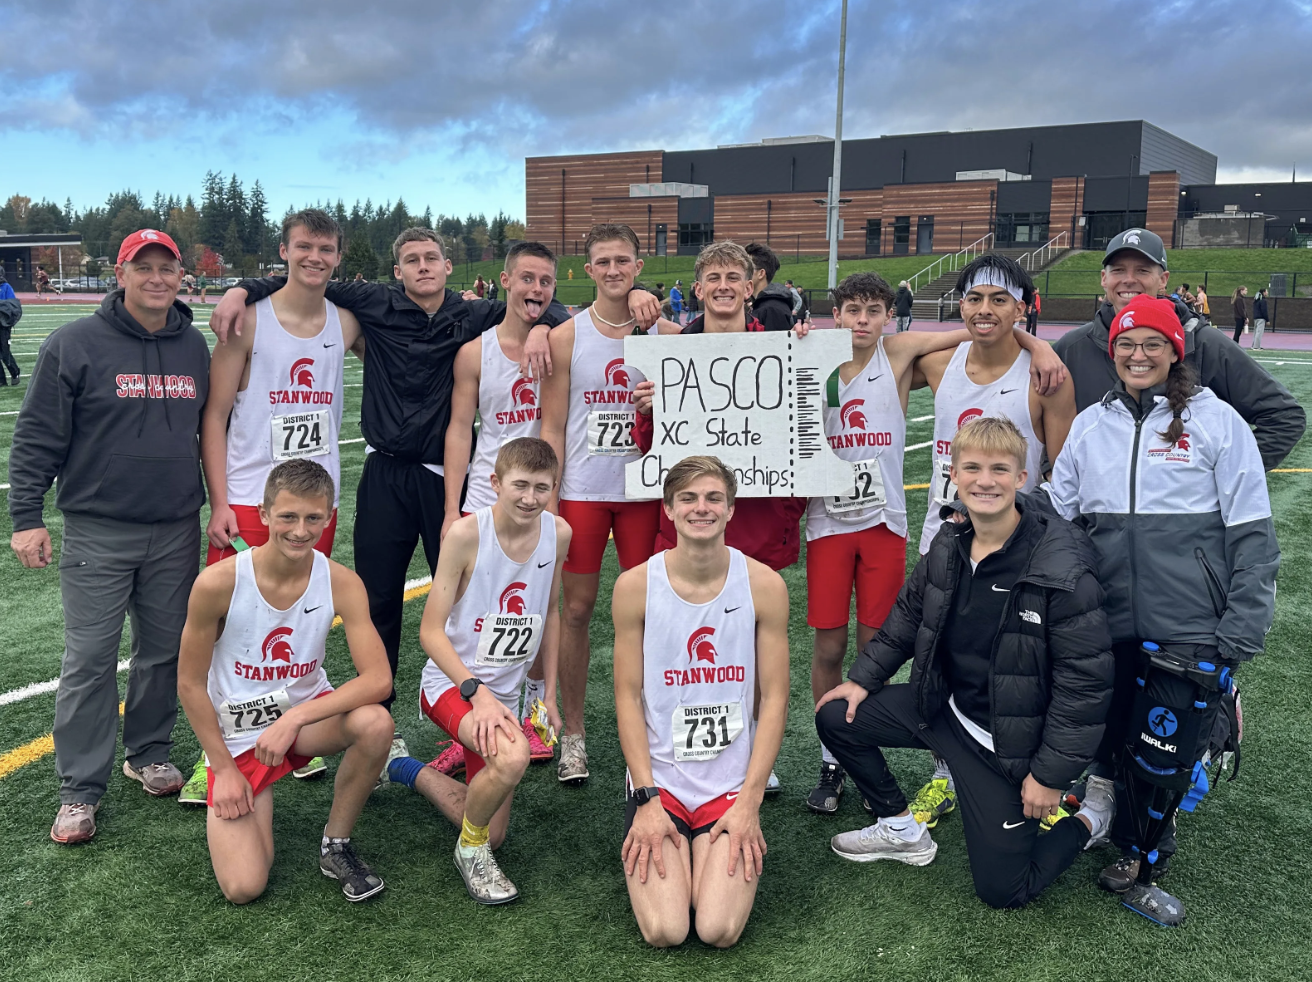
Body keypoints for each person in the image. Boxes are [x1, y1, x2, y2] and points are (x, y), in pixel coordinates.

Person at [208, 229, 618, 745]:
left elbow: (535, 300)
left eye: (431, 258)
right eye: (411, 260)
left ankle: (468, 720)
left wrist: (543, 328)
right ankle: (380, 723)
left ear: (448, 266)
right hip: (384, 473)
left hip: (444, 477)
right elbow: (307, 277)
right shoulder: (374, 303)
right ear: (397, 270)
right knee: (378, 598)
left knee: (471, 602)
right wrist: (240, 289)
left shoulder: (472, 314)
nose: (423, 266)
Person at [815, 416, 1115, 909]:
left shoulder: (1061, 567)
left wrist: (1050, 776)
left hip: (1007, 742)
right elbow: (908, 616)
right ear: (952, 474)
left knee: (1004, 890)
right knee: (835, 714)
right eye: (972, 468)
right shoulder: (948, 544)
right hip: (944, 710)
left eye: (1000, 469)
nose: (985, 481)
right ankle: (900, 829)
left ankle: (1092, 819)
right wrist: (862, 679)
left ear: (1022, 478)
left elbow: (1084, 686)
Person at [1046, 294, 1279, 925]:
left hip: (1189, 624)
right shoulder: (1091, 426)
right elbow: (1058, 514)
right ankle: (1122, 831)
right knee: (1115, 734)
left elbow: (1253, 534)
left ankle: (1145, 855)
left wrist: (1242, 626)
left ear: (1175, 351)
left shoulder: (1217, 421)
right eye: (1126, 344)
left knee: (1162, 750)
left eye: (1153, 343)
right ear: (1113, 352)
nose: (1138, 354)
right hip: (1107, 618)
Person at [802, 272, 1040, 814]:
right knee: (829, 647)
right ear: (834, 315)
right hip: (827, 522)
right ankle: (831, 758)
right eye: (852, 310)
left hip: (884, 523)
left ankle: (866, 754)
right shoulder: (812, 355)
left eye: (873, 310)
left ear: (890, 316)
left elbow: (978, 332)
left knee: (876, 645)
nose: (862, 320)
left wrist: (1039, 343)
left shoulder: (900, 351)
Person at [9, 229, 210, 844]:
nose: (156, 278)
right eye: (142, 267)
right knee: (90, 659)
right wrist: (26, 517)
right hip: (99, 529)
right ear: (119, 275)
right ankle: (80, 787)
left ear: (181, 276)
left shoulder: (193, 346)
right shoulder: (74, 343)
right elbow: (37, 434)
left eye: (166, 268)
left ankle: (147, 751)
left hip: (175, 527)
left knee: (164, 650)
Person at [178, 209, 364, 804]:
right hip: (250, 502)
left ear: (339, 256)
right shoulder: (249, 320)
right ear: (283, 251)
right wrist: (219, 501)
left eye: (326, 249)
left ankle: (290, 732)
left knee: (299, 622)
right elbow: (214, 416)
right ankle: (213, 754)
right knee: (227, 629)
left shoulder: (347, 323)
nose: (315, 257)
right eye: (304, 246)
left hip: (314, 503)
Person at [904, 253, 1074, 825]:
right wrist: (1033, 338)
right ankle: (945, 773)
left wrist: (1034, 347)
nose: (985, 309)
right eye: (974, 299)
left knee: (1018, 666)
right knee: (941, 658)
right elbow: (879, 349)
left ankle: (1026, 775)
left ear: (1022, 307)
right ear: (960, 305)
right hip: (944, 540)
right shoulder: (939, 363)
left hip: (1015, 552)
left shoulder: (1045, 378)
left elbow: (1064, 476)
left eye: (1000, 300)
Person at [177, 459, 394, 903]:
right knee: (244, 887)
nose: (300, 530)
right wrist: (222, 768)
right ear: (263, 514)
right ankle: (252, 789)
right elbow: (189, 684)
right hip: (239, 737)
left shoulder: (342, 582)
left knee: (376, 723)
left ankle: (336, 845)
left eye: (313, 518)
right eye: (288, 516)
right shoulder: (218, 583)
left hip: (304, 724)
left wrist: (294, 719)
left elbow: (378, 680)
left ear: (329, 517)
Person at [612, 456, 789, 948]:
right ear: (669, 508)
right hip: (662, 783)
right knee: (665, 929)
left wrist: (751, 800)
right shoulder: (634, 587)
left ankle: (703, 847)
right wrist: (646, 799)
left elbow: (776, 698)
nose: (701, 508)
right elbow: (627, 696)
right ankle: (676, 841)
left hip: (729, 785)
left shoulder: (764, 585)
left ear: (731, 508)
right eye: (688, 498)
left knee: (718, 929)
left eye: (714, 498)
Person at [385, 438, 570, 904]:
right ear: (495, 483)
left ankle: (402, 767)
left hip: (503, 698)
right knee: (512, 758)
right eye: (520, 485)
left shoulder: (559, 533)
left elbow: (550, 612)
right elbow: (430, 631)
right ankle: (469, 852)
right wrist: (477, 692)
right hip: (453, 685)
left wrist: (547, 693)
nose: (530, 497)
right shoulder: (466, 535)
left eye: (542, 487)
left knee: (495, 829)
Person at [540, 223, 664, 784]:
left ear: (639, 266)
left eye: (623, 260)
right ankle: (573, 733)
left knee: (647, 614)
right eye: (603, 262)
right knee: (577, 611)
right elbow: (552, 424)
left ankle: (651, 732)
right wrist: (550, 498)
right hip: (584, 492)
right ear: (588, 270)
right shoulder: (566, 336)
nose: (614, 270)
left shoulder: (666, 332)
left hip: (644, 492)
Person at [438, 241, 561, 771]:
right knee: (471, 611)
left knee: (534, 606)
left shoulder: (556, 347)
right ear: (504, 281)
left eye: (546, 281)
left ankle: (532, 712)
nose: (536, 289)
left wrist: (551, 503)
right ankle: (469, 715)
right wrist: (452, 508)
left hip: (537, 501)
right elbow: (460, 430)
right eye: (527, 278)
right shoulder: (475, 353)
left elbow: (555, 428)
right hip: (485, 499)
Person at [1052, 228, 1304, 470]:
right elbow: (1040, 424)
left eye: (1142, 270)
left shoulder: (1203, 342)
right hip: (1095, 501)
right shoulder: (1072, 348)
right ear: (1104, 278)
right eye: (1118, 270)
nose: (1129, 279)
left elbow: (1284, 417)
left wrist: (1216, 478)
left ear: (1163, 280)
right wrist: (1052, 469)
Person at [743, 243, 795, 332]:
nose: (741, 273)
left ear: (761, 274)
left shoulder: (772, 309)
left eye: (747, 269)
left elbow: (775, 340)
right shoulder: (761, 305)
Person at [0, 269, 21, 385]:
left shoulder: (6, 287)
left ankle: (15, 372)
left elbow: (13, 305)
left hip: (3, 324)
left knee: (5, 352)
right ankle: (1, 380)